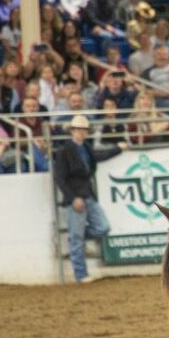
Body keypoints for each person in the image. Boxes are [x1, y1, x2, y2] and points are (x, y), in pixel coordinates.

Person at [53, 115, 123, 283]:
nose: (81, 133)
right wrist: (72, 197)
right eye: (78, 129)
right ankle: (80, 274)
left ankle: (76, 241)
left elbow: (99, 156)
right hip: (77, 197)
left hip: (87, 195)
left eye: (83, 130)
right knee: (90, 231)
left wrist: (117, 149)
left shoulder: (85, 147)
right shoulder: (64, 151)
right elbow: (60, 178)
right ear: (72, 131)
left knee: (103, 227)